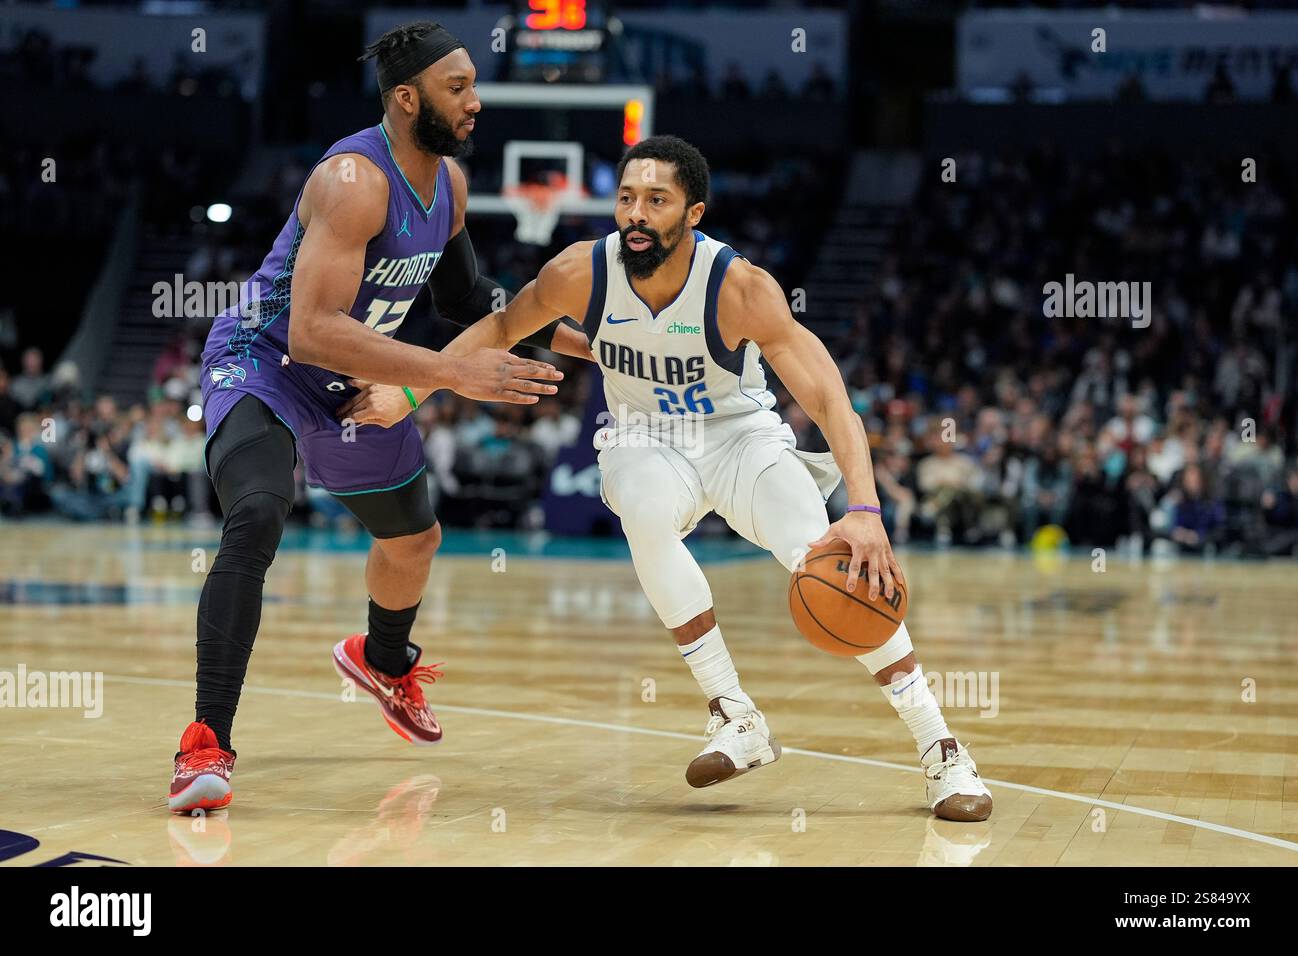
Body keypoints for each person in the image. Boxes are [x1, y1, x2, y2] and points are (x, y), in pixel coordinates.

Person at [446, 136, 992, 821]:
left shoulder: (740, 288)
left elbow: (828, 400)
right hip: (646, 439)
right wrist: (404, 393)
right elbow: (501, 324)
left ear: (693, 212)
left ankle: (941, 748)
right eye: (626, 198)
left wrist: (865, 509)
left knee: (829, 563)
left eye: (656, 200)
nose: (636, 214)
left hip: (741, 438)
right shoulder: (576, 274)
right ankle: (736, 715)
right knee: (644, 513)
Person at [168, 21, 584, 814]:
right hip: (267, 363)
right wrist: (453, 373)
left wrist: (598, 347)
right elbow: (312, 329)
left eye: (472, 83)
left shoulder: (450, 185)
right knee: (256, 516)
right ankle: (205, 745)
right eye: (457, 87)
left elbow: (469, 301)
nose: (475, 100)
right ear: (406, 98)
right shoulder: (355, 179)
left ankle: (383, 659)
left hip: (354, 376)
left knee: (413, 540)